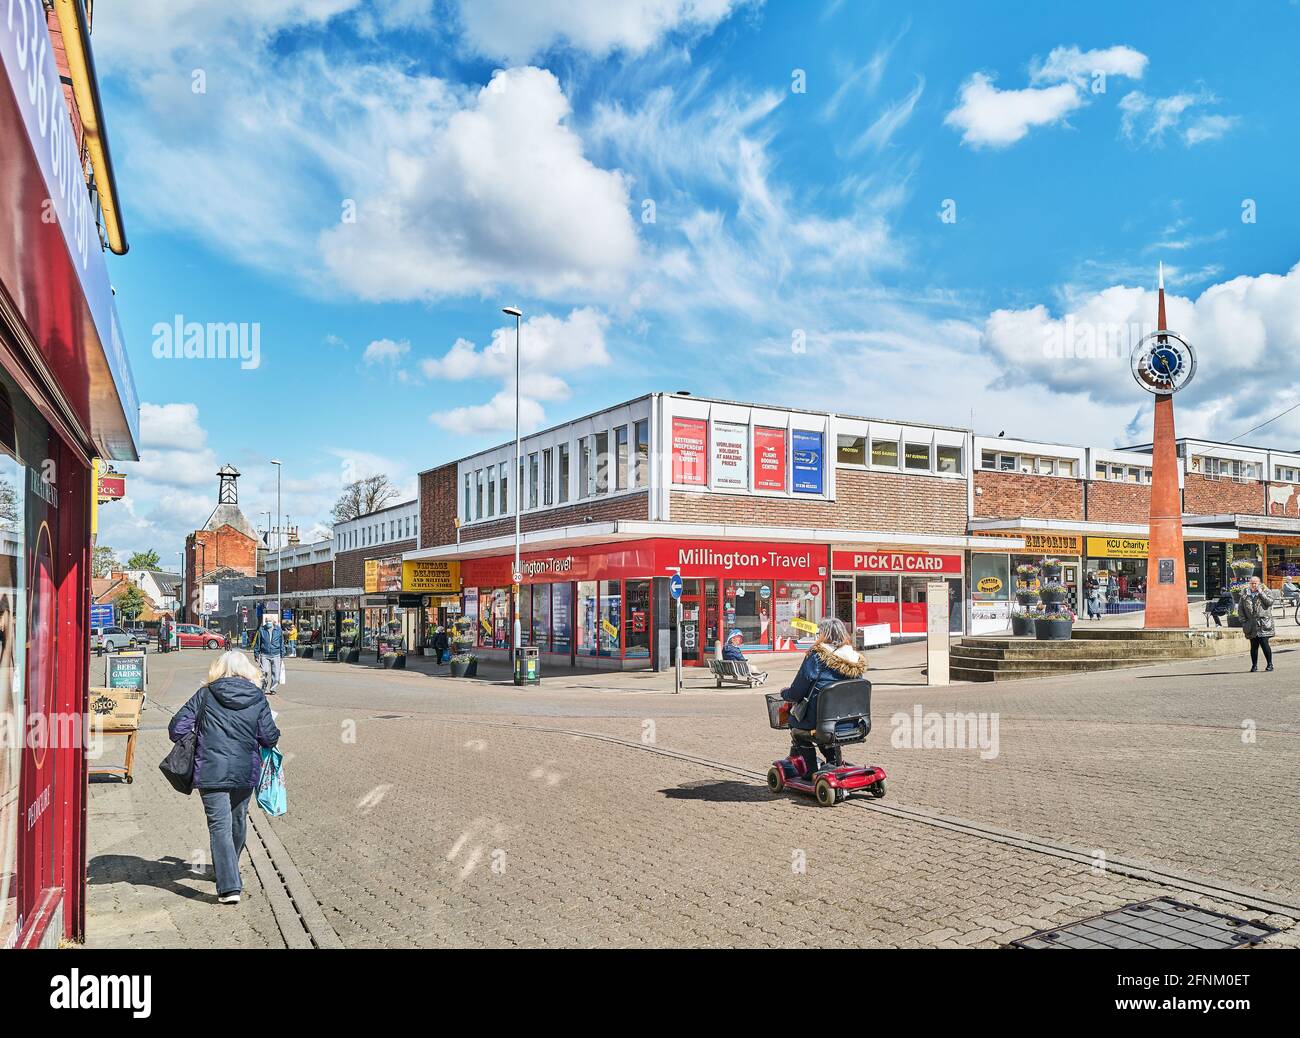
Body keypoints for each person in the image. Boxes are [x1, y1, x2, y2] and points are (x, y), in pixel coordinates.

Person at [167, 651, 280, 904]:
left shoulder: (205, 695)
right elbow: (269, 737)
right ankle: (230, 870)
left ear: (218, 669)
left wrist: (197, 740)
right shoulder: (258, 697)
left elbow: (176, 728)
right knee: (238, 820)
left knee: (220, 825)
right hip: (244, 770)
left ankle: (229, 886)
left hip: (210, 770)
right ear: (249, 670)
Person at [779, 618, 867, 775]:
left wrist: (785, 693)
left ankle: (810, 770)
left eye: (819, 633)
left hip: (820, 719)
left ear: (824, 635)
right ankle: (833, 762)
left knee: (796, 726)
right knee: (826, 729)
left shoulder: (817, 657)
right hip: (853, 721)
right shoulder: (855, 659)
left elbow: (798, 689)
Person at [1237, 576, 1276, 672]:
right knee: (1253, 645)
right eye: (1252, 583)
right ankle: (1254, 665)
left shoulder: (1266, 591)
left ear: (1259, 583)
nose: (1253, 585)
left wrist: (1261, 593)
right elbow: (1240, 609)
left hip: (1263, 623)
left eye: (1255, 583)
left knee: (1264, 643)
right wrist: (1244, 621)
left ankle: (1270, 664)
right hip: (1251, 623)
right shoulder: (1245, 594)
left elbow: (1269, 602)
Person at [253, 616, 287, 694]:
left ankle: (273, 689)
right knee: (264, 672)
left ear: (273, 621)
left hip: (276, 654)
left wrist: (282, 653)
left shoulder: (278, 630)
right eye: (267, 621)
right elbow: (258, 642)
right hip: (264, 654)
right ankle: (264, 687)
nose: (268, 622)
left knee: (276, 673)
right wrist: (256, 653)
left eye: (269, 621)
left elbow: (281, 642)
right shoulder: (262, 630)